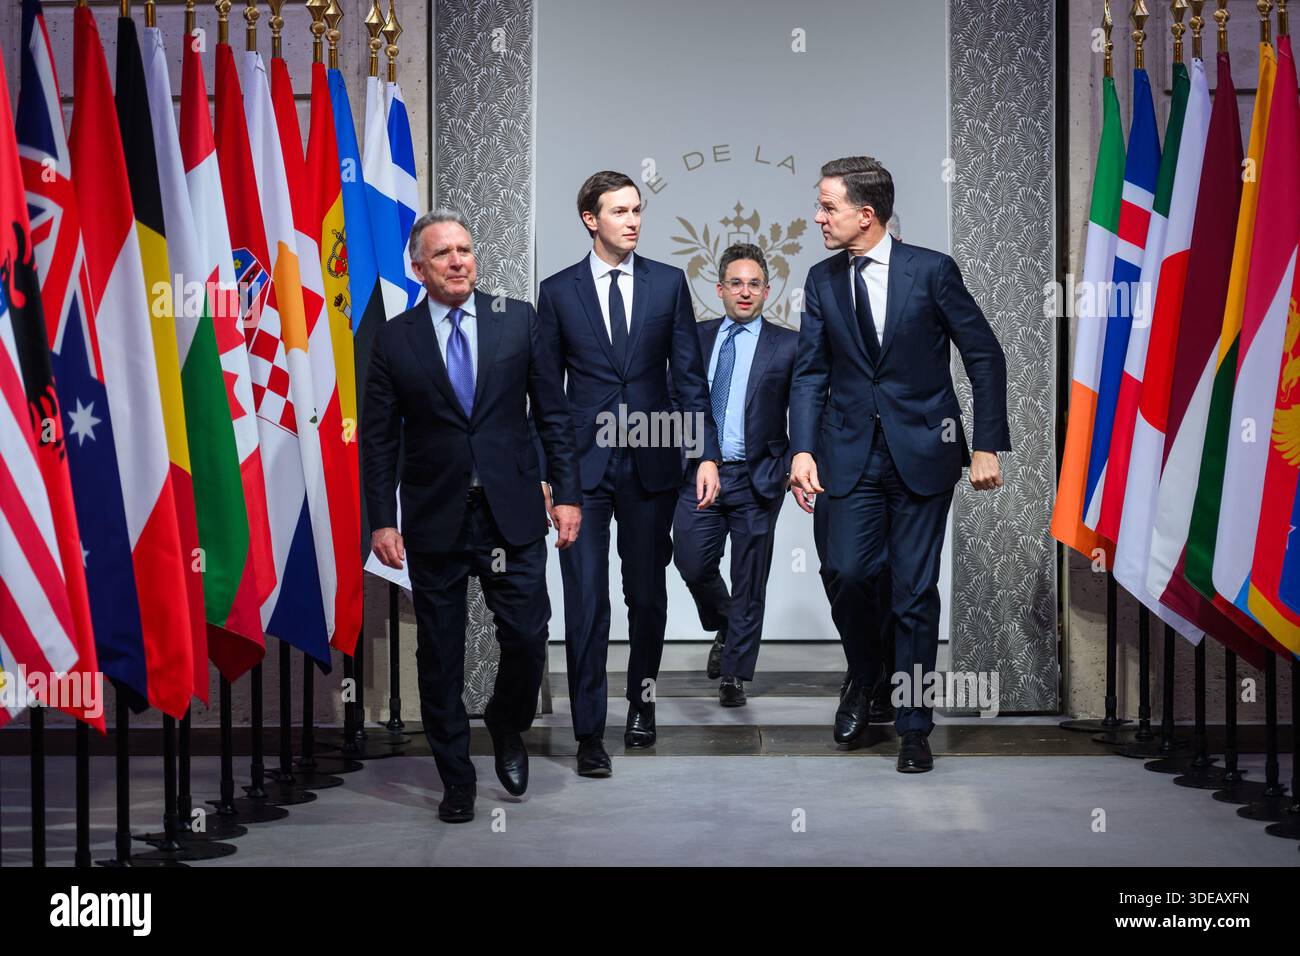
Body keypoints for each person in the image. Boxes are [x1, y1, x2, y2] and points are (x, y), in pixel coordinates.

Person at [789, 157, 1009, 773]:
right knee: (847, 571)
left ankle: (914, 726)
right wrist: (801, 449)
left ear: (866, 214)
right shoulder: (821, 279)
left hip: (924, 453)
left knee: (913, 592)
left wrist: (986, 444)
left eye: (827, 206)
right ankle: (866, 674)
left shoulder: (932, 271)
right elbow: (810, 372)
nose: (818, 217)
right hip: (847, 454)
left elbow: (984, 355)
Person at [362, 210, 581, 822]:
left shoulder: (518, 320)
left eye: (464, 249)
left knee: (527, 636)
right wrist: (382, 519)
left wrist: (567, 494)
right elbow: (378, 438)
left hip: (510, 513)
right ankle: (455, 778)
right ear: (418, 269)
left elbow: (554, 415)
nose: (458, 261)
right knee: (439, 655)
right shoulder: (395, 338)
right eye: (443, 254)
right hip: (435, 518)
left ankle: (507, 723)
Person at [537, 170, 721, 776]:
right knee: (586, 601)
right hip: (581, 472)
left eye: (637, 209)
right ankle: (589, 734)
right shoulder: (557, 292)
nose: (633, 221)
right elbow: (547, 395)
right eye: (620, 211)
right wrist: (549, 474)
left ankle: (642, 703)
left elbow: (689, 379)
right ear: (591, 219)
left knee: (645, 594)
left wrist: (705, 454)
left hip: (652, 462)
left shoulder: (668, 283)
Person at [671, 243, 798, 706]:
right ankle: (726, 624)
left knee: (749, 578)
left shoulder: (789, 344)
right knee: (691, 561)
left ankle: (734, 674)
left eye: (754, 284)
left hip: (759, 477)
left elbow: (808, 406)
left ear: (767, 291)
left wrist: (796, 459)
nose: (745, 292)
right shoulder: (694, 337)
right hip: (700, 472)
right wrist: (695, 453)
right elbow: (678, 399)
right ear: (719, 289)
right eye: (736, 283)